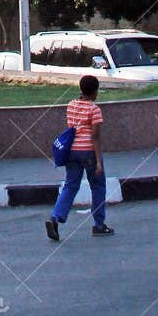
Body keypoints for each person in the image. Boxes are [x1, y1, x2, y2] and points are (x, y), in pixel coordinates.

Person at [46, 73, 114, 240]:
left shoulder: (71, 105)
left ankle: (55, 217)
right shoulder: (94, 110)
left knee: (70, 186)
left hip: (72, 152)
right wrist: (98, 162)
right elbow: (95, 138)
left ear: (81, 89)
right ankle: (99, 225)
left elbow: (72, 127)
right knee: (97, 186)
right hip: (88, 152)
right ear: (95, 92)